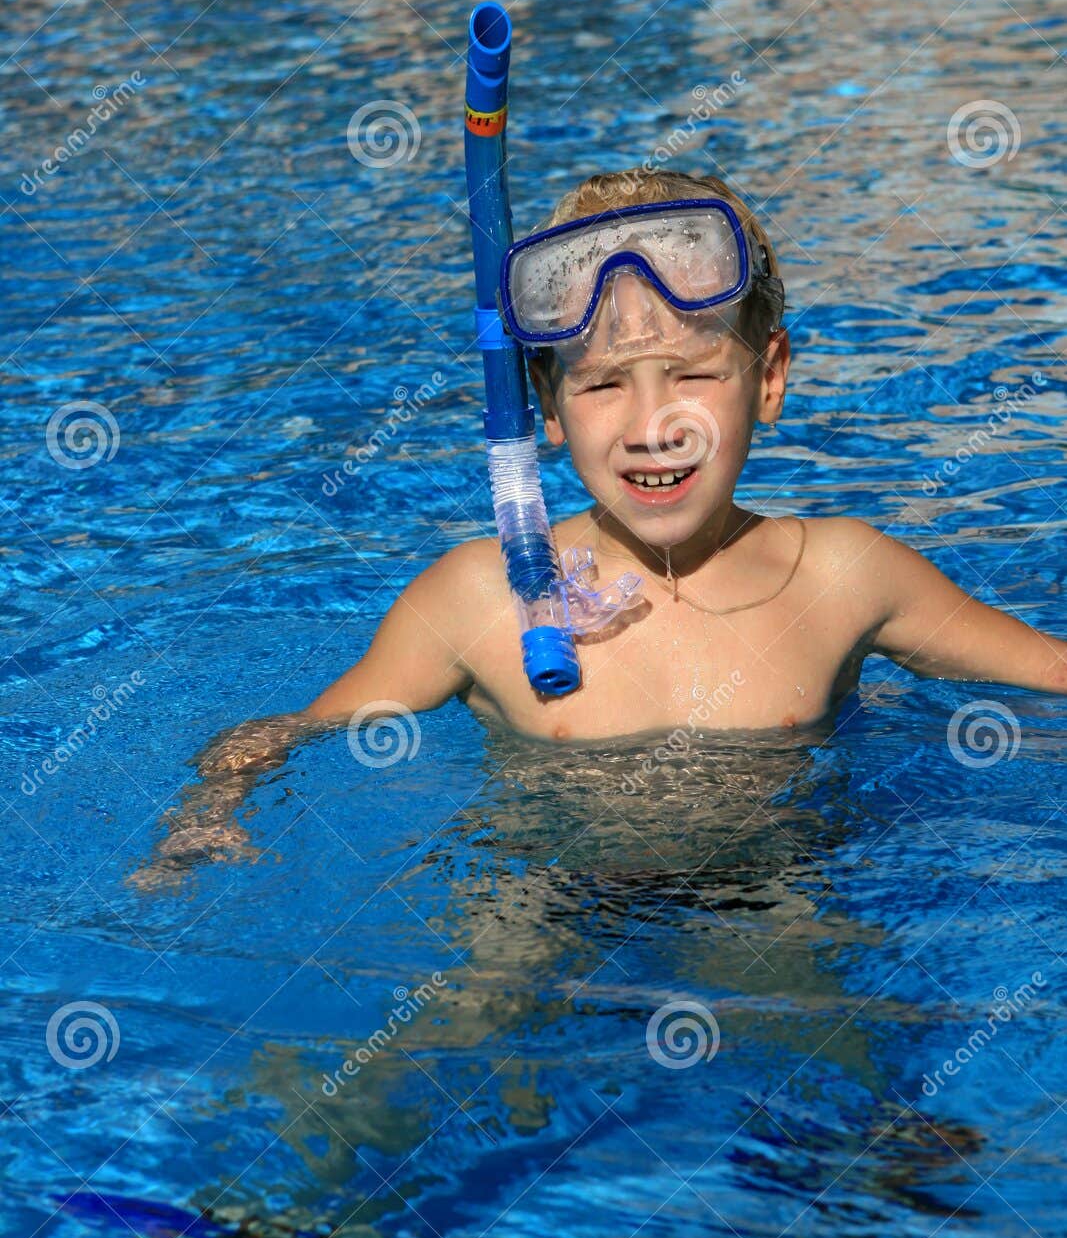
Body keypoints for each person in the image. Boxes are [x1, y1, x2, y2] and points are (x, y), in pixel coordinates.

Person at [136, 167, 1066, 876]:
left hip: (770, 882)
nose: (653, 425)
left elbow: (1047, 673)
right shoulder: (478, 597)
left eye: (694, 375)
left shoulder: (843, 575)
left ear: (769, 378)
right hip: (543, 885)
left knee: (843, 1057)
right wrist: (207, 815)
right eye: (603, 384)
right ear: (546, 405)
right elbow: (282, 731)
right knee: (450, 1034)